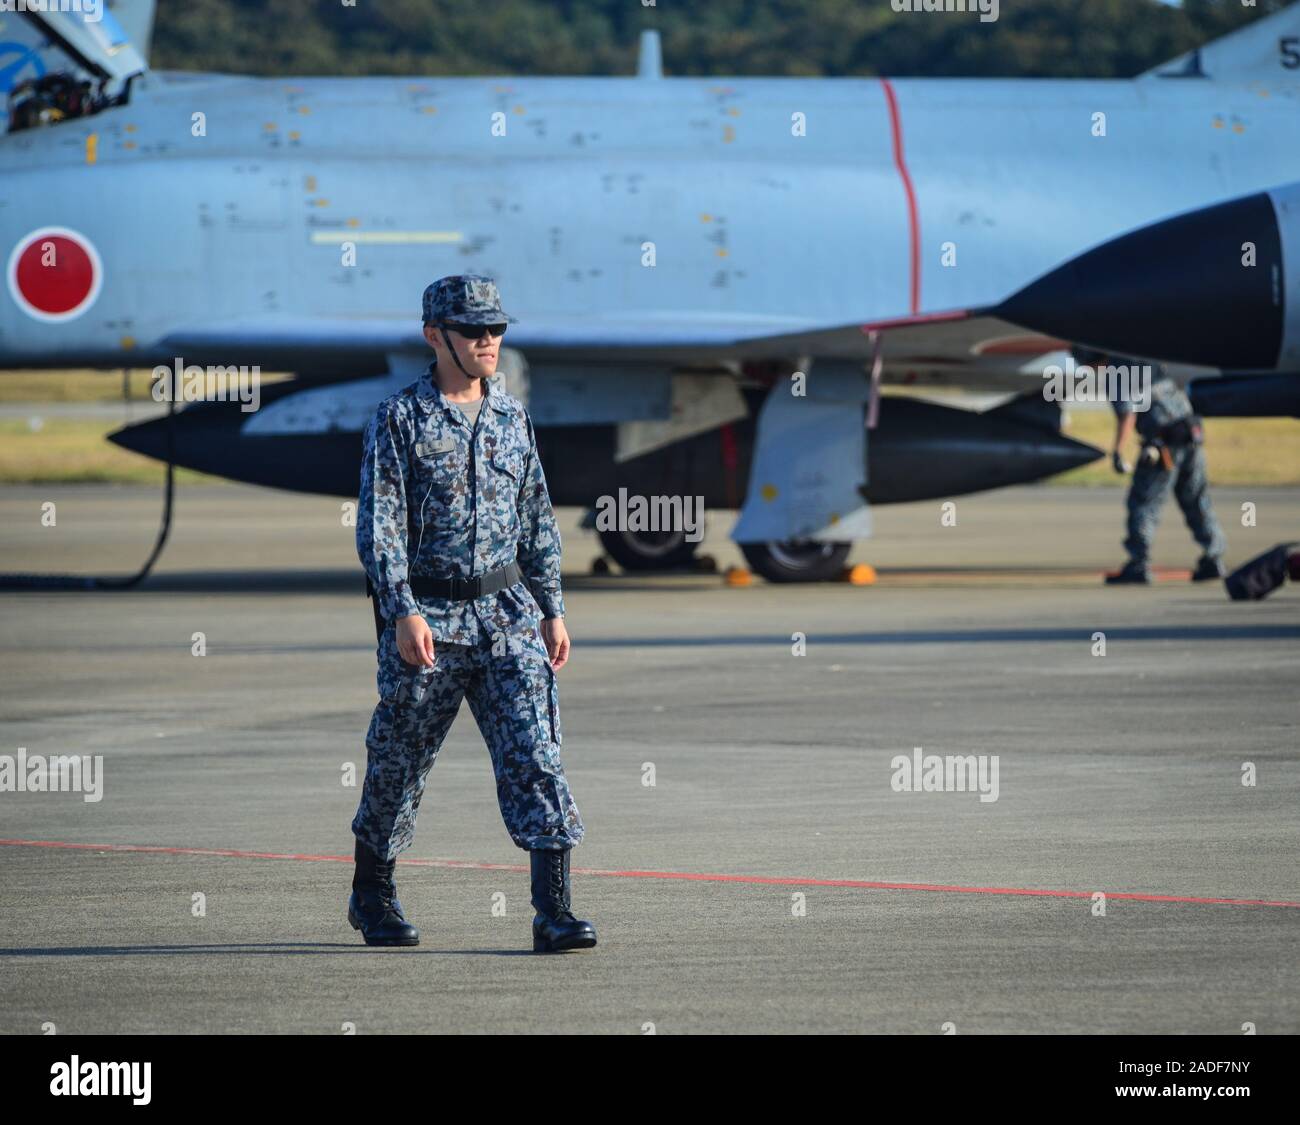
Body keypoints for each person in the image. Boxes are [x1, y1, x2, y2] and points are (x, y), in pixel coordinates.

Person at [349, 274, 595, 953]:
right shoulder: (400, 419)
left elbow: (536, 515)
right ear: (436, 337)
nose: (488, 340)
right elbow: (382, 526)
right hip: (429, 616)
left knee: (538, 754)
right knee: (399, 761)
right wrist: (401, 611)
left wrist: (553, 607)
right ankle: (372, 892)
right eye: (472, 330)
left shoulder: (512, 417)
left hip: (508, 612)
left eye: (496, 329)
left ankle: (554, 911)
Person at [1073, 346, 1227, 585]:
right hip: (1190, 434)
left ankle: (1139, 563)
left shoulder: (1117, 370)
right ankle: (1214, 557)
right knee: (1196, 499)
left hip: (1163, 444)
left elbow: (1127, 414)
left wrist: (1117, 452)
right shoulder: (1142, 355)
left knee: (1143, 503)